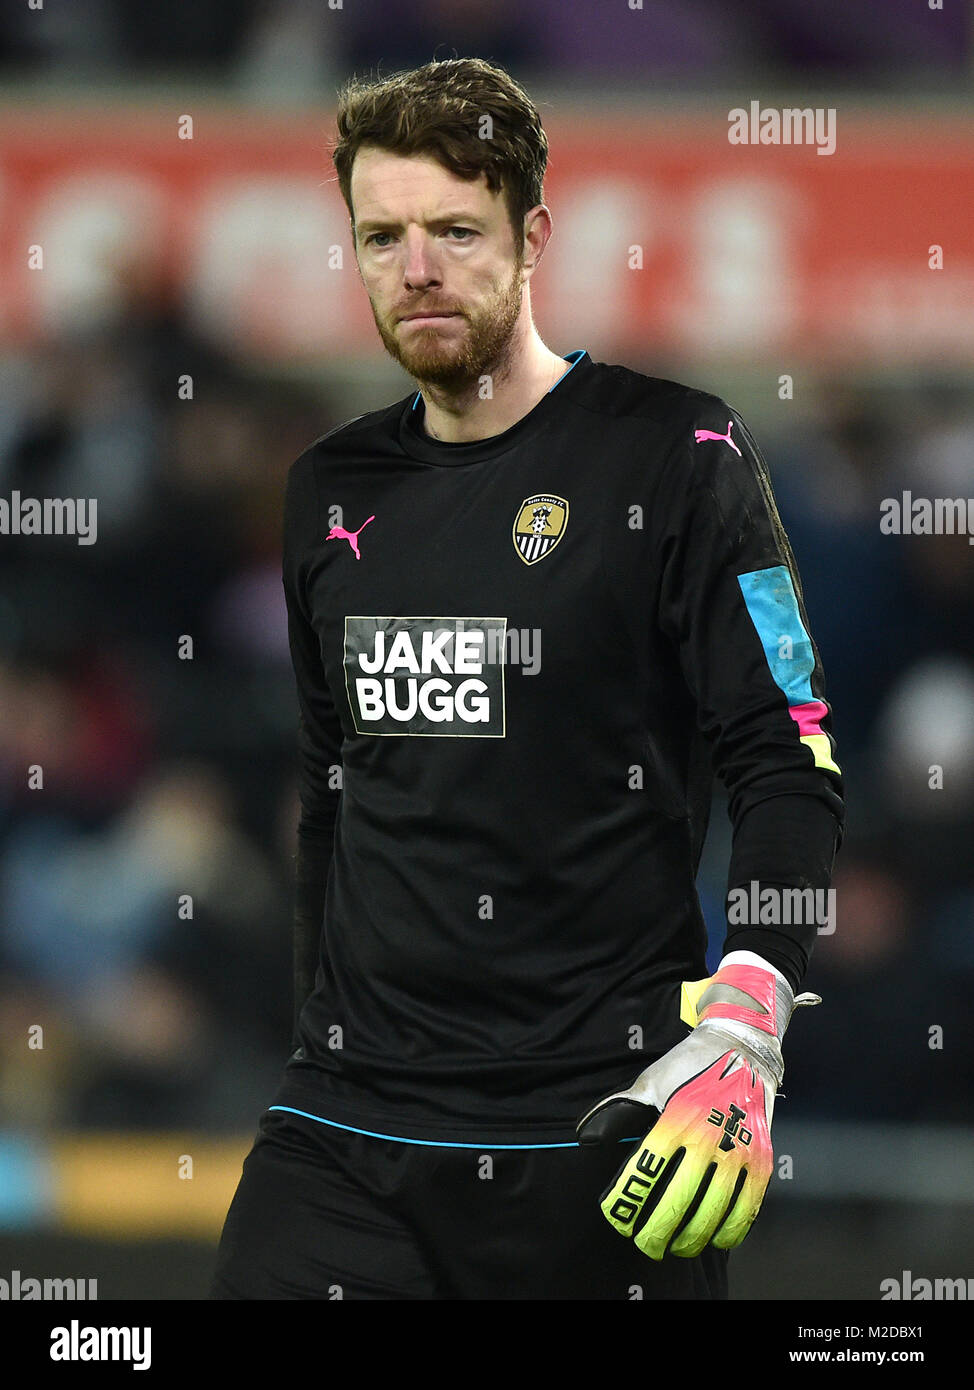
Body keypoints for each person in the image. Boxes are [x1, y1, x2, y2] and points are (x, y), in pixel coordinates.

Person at [210, 56, 843, 1301]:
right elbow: (332, 793)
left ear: (532, 234)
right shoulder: (328, 491)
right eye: (380, 236)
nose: (417, 268)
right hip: (349, 1132)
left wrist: (745, 1026)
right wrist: (312, 1037)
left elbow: (788, 758)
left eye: (455, 230)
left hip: (600, 1137)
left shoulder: (679, 452)